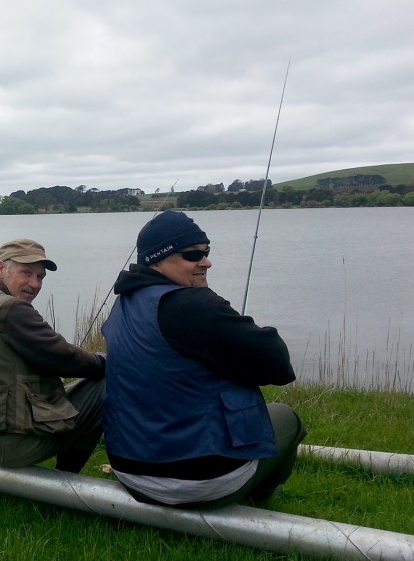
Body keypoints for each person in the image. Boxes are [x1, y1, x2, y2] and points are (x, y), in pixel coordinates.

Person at [101, 210, 307, 509]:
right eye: (192, 255)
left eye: (206, 252)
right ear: (156, 260)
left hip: (129, 471)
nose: (206, 261)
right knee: (288, 417)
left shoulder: (123, 305)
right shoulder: (194, 305)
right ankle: (258, 502)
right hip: (200, 479)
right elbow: (277, 364)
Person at [0, 239, 106, 473]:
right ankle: (67, 482)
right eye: (26, 273)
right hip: (4, 445)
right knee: (104, 385)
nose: (34, 284)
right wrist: (104, 361)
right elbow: (65, 358)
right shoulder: (11, 310)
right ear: (1, 269)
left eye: (40, 277)